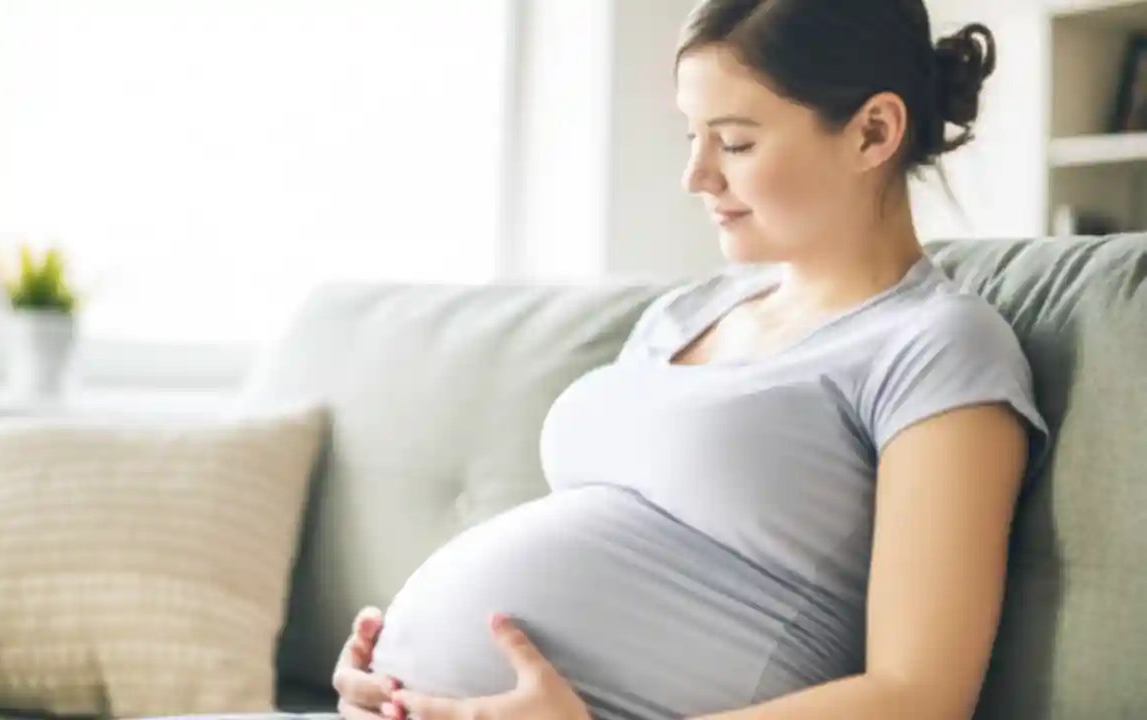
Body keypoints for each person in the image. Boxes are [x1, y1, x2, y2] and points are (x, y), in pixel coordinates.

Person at [330, 1, 1049, 718]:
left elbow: (919, 697)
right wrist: (395, 673)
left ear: (873, 132)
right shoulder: (683, 314)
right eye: (692, 137)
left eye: (734, 143)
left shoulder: (937, 347)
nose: (696, 176)